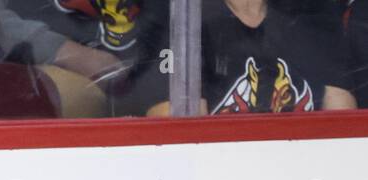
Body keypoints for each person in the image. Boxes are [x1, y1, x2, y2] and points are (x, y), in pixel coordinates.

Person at [141, 0, 356, 114]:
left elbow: (340, 105)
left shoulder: (312, 10)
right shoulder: (182, 11)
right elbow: (173, 119)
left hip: (304, 176)